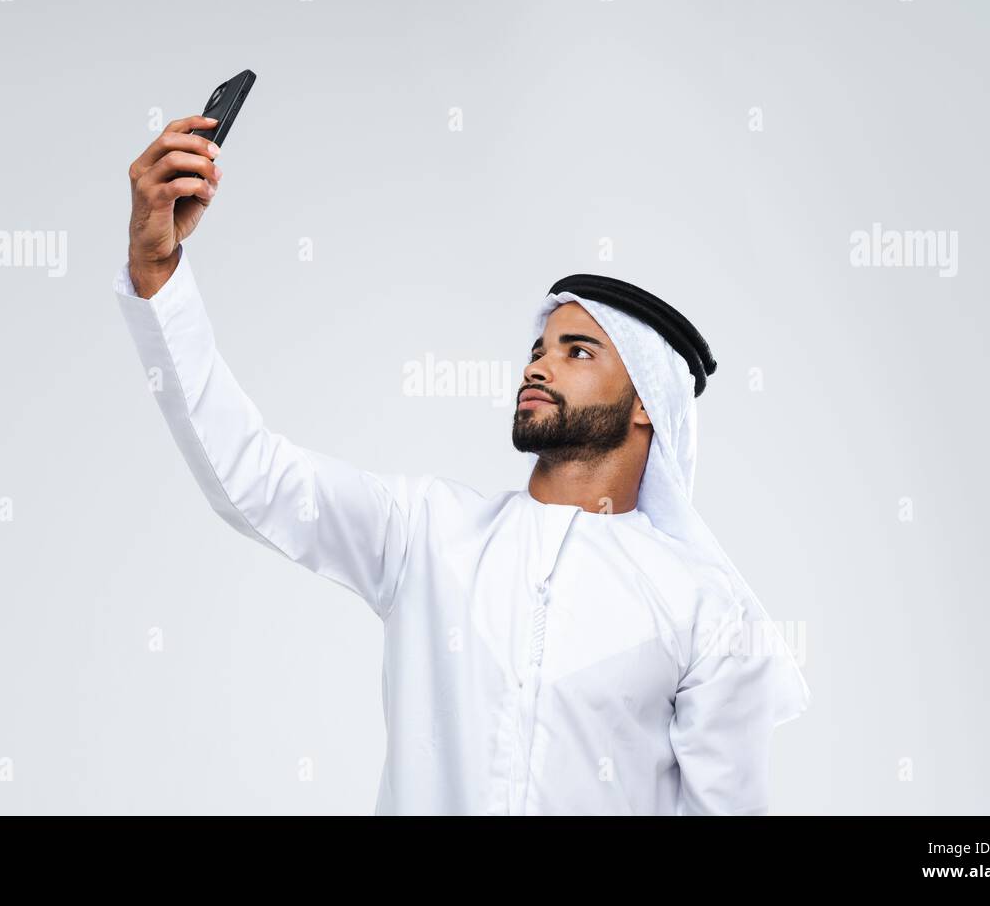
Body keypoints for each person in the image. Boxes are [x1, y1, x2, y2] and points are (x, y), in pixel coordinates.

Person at [114, 115, 812, 815]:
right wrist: (158, 271)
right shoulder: (426, 531)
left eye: (577, 351)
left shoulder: (703, 608)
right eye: (539, 348)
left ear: (648, 405)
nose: (539, 364)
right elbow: (253, 474)